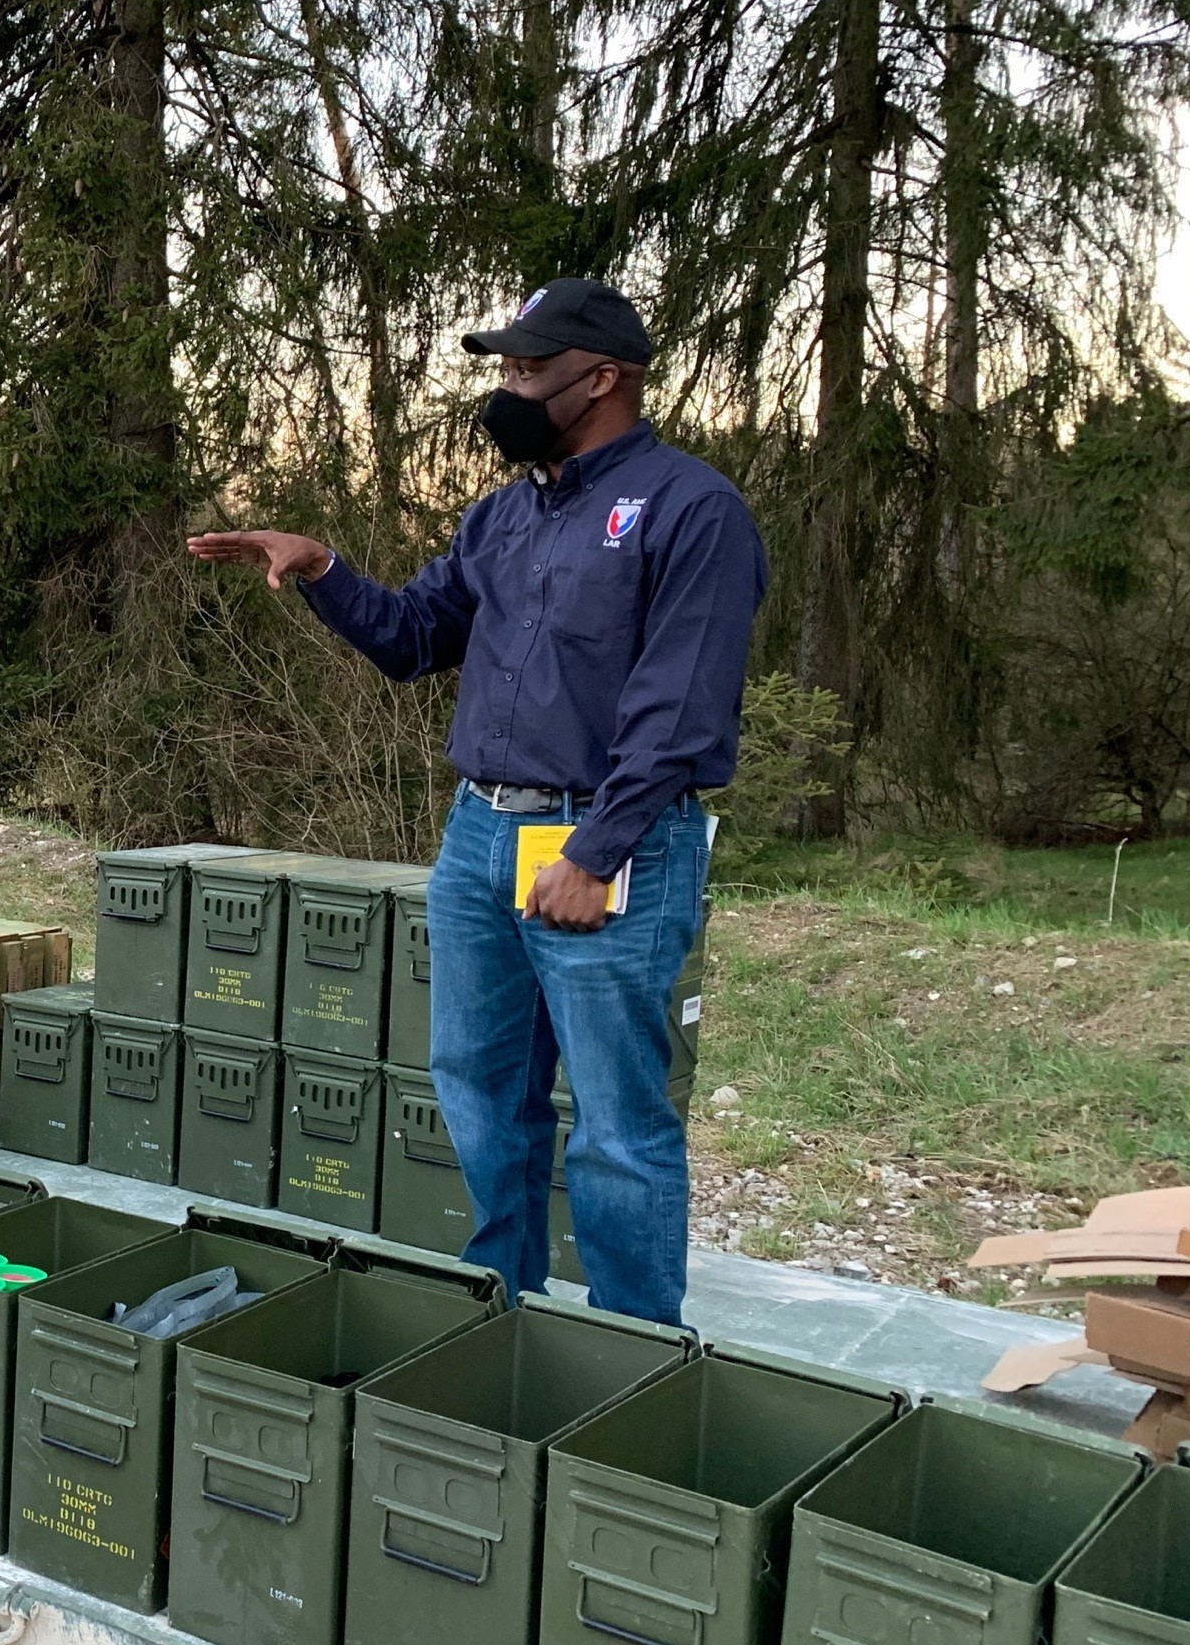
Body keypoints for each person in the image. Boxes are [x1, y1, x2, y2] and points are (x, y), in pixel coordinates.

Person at [189, 278, 765, 1326]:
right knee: (477, 1088)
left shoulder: (691, 510)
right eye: (502, 367)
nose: (506, 388)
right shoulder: (501, 517)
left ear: (602, 379)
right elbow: (413, 636)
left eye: (526, 369)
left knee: (616, 1124)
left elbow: (678, 710)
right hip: (480, 836)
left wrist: (595, 854)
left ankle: (635, 1347)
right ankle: (502, 1307)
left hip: (610, 841)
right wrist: (320, 567)